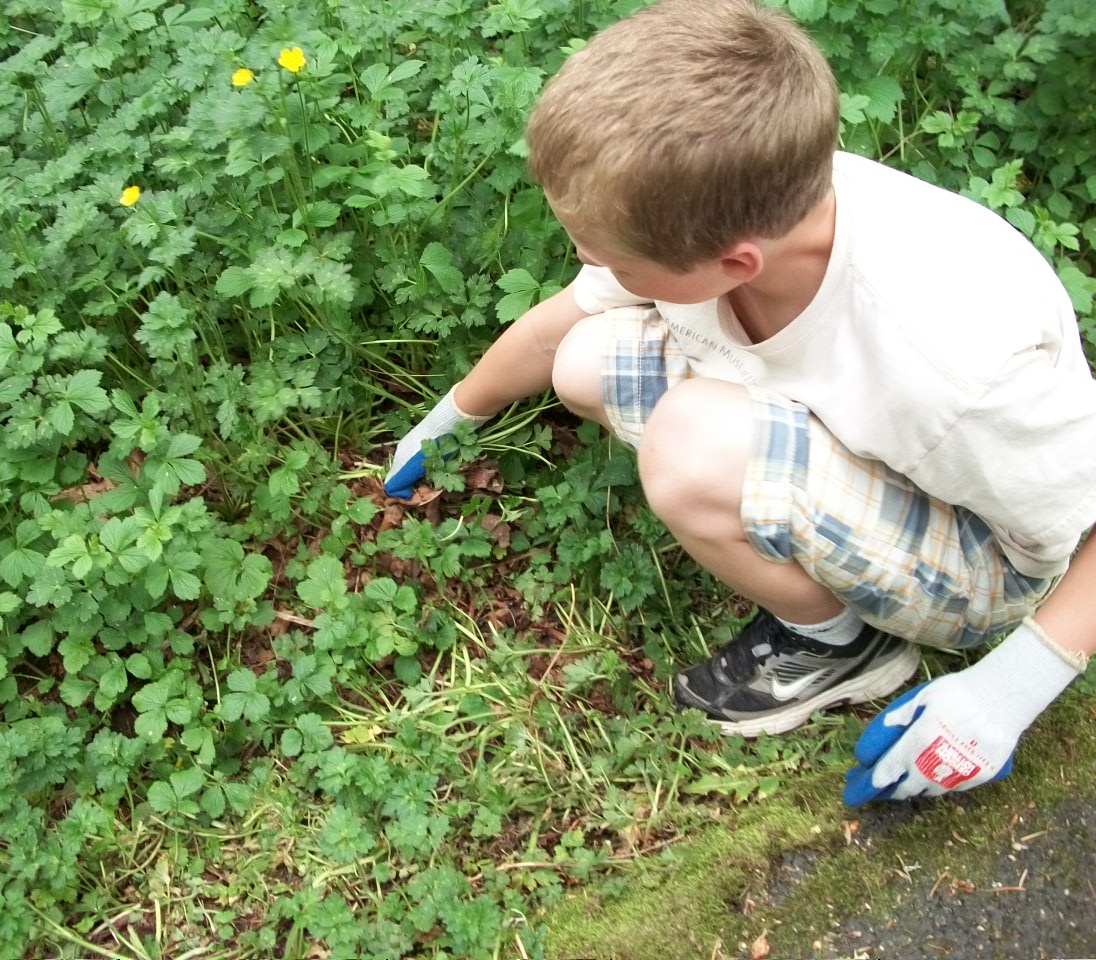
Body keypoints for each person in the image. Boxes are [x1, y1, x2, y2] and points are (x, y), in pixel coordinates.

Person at [383, 0, 1095, 805]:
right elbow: (558, 332)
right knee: (587, 361)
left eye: (597, 253)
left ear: (733, 262)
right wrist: (454, 416)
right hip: (868, 427)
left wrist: (1011, 688)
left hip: (989, 557)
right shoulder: (747, 196)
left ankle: (837, 650)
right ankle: (794, 516)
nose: (581, 261)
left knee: (689, 447)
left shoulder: (954, 356)